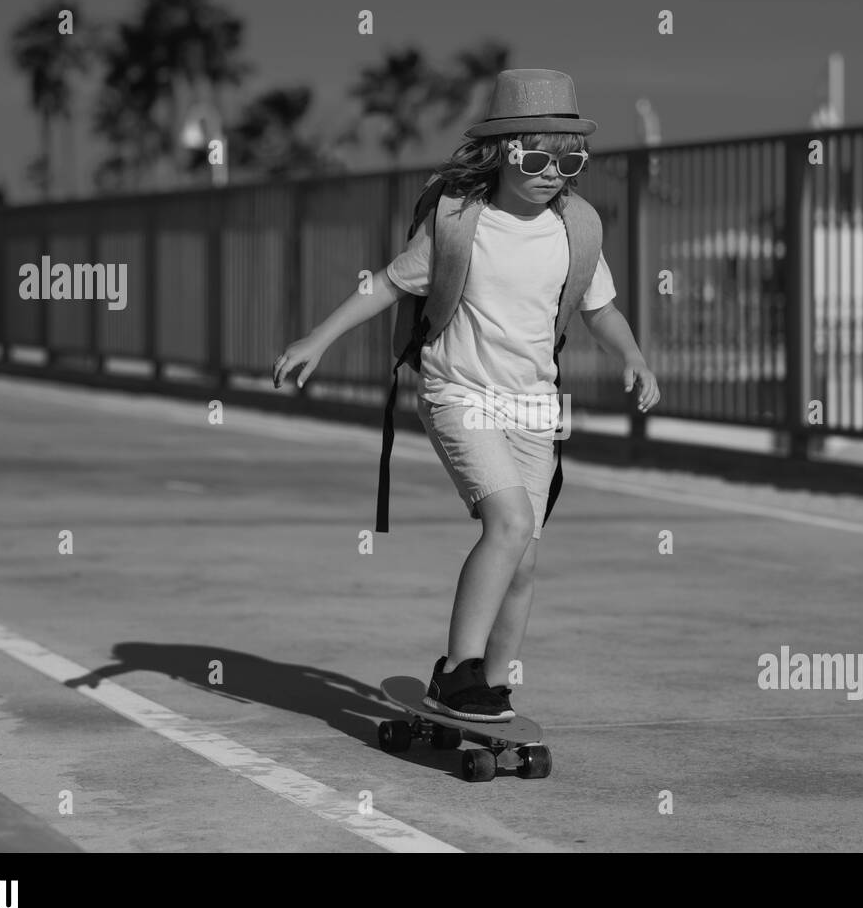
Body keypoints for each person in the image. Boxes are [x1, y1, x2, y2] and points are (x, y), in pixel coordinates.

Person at [273, 69, 659, 722]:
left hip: (533, 407)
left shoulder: (578, 229)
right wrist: (319, 338)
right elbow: (388, 286)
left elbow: (602, 309)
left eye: (568, 158)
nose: (550, 171)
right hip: (458, 393)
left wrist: (634, 357)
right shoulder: (460, 220)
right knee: (506, 525)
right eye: (535, 155)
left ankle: (494, 682)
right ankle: (456, 673)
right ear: (501, 151)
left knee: (525, 560)